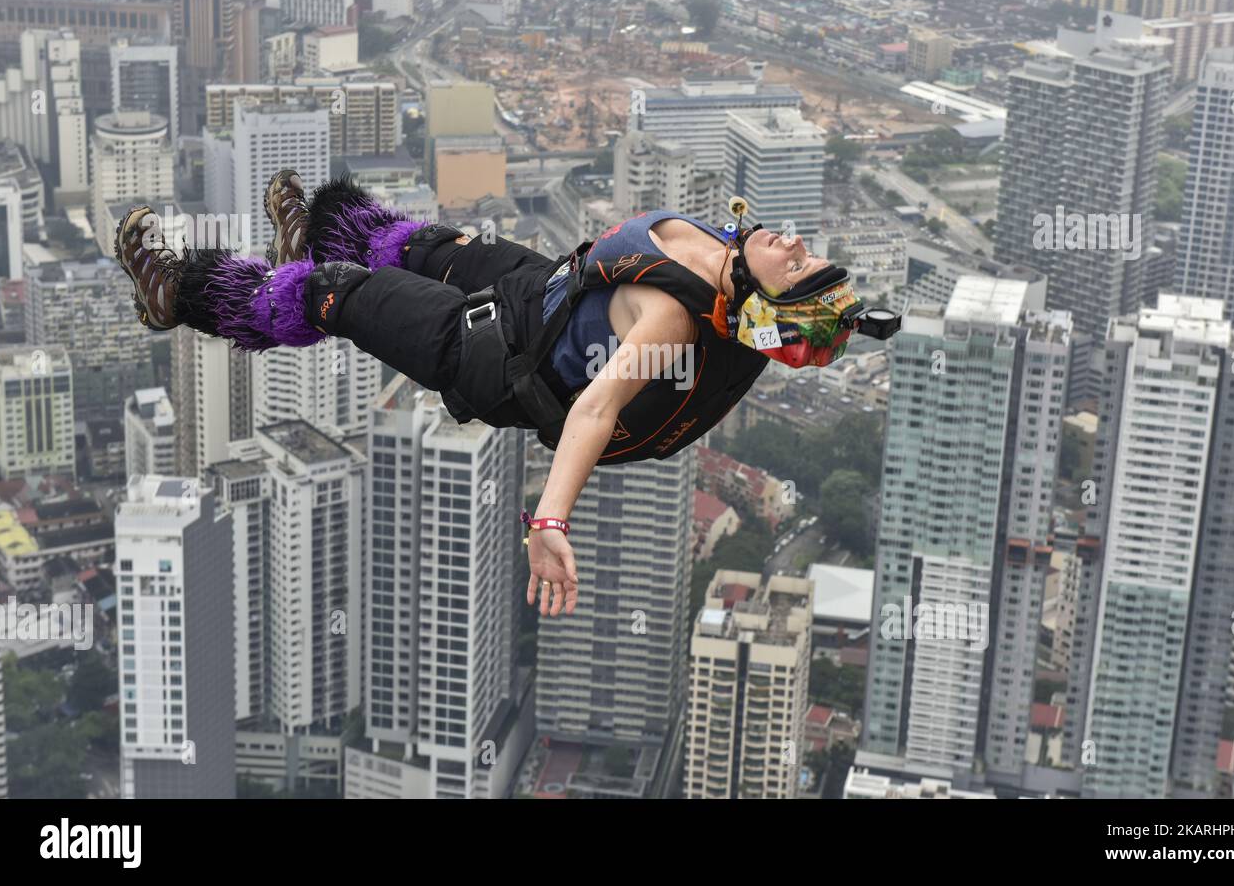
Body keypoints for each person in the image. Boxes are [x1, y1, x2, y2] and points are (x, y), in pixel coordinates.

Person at [113, 172, 896, 619]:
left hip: (494, 357)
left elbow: (595, 412)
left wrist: (549, 519)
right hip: (542, 293)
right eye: (807, 251)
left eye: (799, 267)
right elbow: (805, 327)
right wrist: (846, 311)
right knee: (412, 242)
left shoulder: (675, 321)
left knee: (339, 293)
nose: (795, 244)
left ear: (763, 306)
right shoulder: (731, 263)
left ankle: (174, 291)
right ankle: (311, 237)